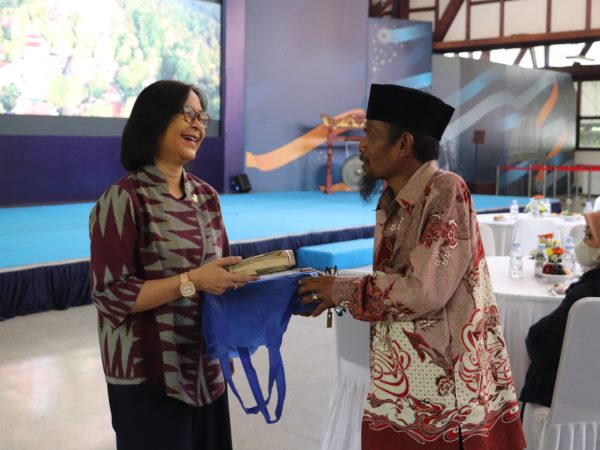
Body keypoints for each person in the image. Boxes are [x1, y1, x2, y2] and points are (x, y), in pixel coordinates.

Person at [298, 84, 526, 449]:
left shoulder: (445, 190)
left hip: (445, 391)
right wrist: (333, 293)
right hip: (402, 380)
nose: (361, 146)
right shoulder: (392, 199)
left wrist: (340, 290)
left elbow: (422, 291)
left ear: (403, 144)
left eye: (371, 135)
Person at [89, 80, 257, 450]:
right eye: (187, 114)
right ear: (154, 119)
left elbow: (220, 275)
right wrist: (192, 281)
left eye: (202, 117)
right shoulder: (123, 199)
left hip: (205, 367)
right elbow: (112, 296)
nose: (198, 125)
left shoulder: (207, 196)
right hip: (148, 375)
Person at [520, 231, 600, 409]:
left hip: (570, 399)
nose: (583, 242)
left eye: (589, 236)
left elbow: (540, 345)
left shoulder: (585, 293)